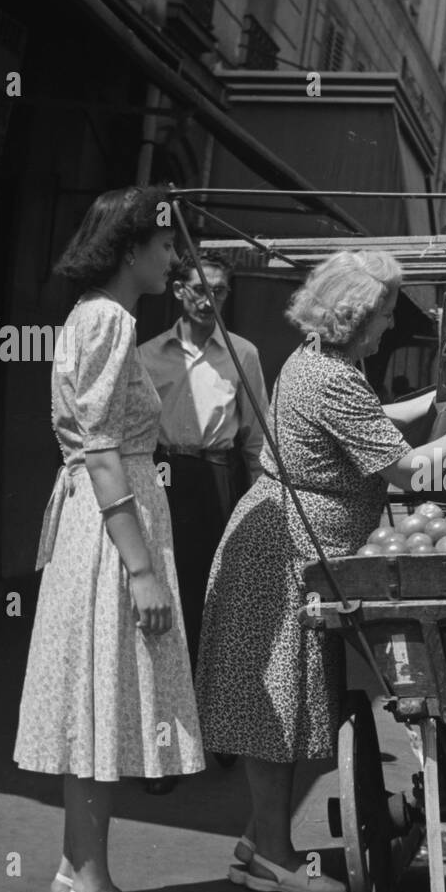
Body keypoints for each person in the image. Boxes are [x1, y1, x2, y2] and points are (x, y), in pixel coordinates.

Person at [197, 250, 446, 892]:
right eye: (385, 310)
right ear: (354, 315)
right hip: (286, 554)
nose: (391, 322)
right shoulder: (331, 376)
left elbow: (373, 421)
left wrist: (440, 399)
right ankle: (276, 862)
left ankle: (258, 842)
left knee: (284, 700)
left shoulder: (317, 360)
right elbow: (408, 471)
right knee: (277, 706)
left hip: (289, 543)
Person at [13, 186, 203, 892]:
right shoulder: (111, 320)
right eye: (164, 247)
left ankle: (76, 873)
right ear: (131, 248)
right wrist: (143, 567)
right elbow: (98, 448)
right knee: (103, 699)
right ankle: (91, 888)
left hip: (105, 520)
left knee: (100, 697)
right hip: (110, 528)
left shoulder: (97, 316)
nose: (173, 260)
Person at [138, 250, 269, 790]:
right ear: (178, 291)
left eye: (219, 290)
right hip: (164, 478)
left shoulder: (243, 355)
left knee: (220, 609)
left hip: (221, 480)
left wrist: (265, 502)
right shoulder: (147, 355)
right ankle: (164, 750)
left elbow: (257, 436)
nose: (209, 299)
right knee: (164, 611)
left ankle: (220, 732)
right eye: (199, 289)